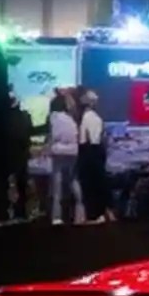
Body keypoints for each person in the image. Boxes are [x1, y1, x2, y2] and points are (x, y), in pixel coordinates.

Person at [0, 91, 32, 224]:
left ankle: (2, 213)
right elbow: (27, 134)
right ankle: (21, 212)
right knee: (21, 185)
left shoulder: (2, 117)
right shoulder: (25, 117)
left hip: (6, 155)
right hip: (21, 155)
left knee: (3, 185)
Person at [46, 94, 81, 226]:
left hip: (58, 152)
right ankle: (80, 213)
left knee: (57, 184)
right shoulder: (71, 118)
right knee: (73, 181)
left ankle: (56, 217)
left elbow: (52, 136)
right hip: (73, 152)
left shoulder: (53, 117)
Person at [76, 90, 108, 224]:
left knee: (89, 184)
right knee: (95, 183)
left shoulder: (87, 117)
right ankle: (97, 213)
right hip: (95, 151)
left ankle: (94, 214)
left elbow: (87, 139)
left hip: (89, 152)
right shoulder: (95, 118)